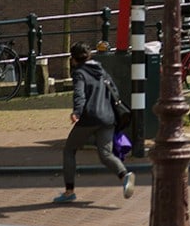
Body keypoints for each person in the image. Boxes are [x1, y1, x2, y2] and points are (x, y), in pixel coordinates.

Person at [54, 42, 134, 203]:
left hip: (90, 117)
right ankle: (124, 175)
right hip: (108, 118)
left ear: (73, 59)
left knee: (69, 150)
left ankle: (69, 192)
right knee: (105, 154)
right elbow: (115, 92)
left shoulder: (79, 73)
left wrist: (77, 112)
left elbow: (79, 94)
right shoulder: (101, 70)